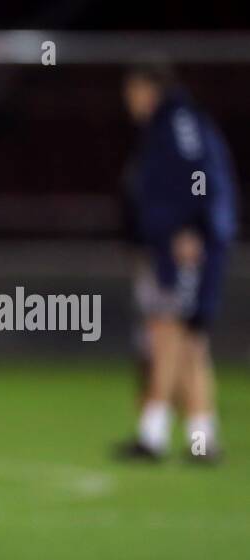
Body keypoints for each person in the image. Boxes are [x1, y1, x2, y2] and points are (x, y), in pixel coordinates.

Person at [118, 63, 238, 462]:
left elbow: (198, 174)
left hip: (184, 246)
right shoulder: (167, 126)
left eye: (133, 91)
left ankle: (154, 436)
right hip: (172, 244)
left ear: (148, 88)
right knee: (185, 338)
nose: (129, 101)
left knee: (170, 331)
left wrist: (190, 228)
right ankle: (200, 439)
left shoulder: (179, 122)